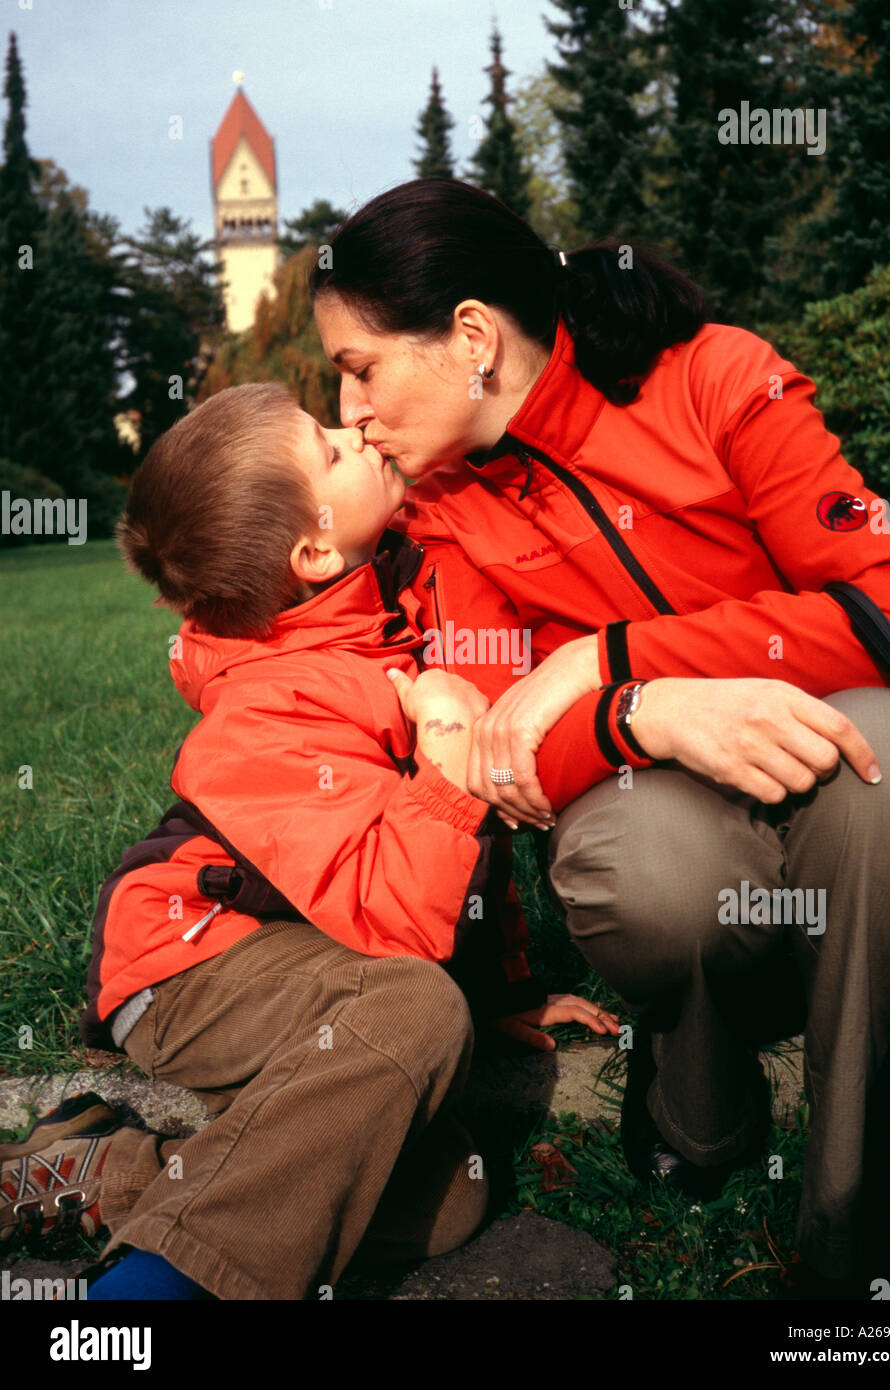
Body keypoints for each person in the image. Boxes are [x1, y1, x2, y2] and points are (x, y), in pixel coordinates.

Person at [308, 178, 890, 1291]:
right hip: (663, 802)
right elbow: (493, 756)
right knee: (637, 868)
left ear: (471, 335)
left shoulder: (716, 375)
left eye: (359, 367)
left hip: (839, 773)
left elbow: (883, 622)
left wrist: (608, 656)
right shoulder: (444, 512)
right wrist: (644, 711)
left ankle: (855, 1221)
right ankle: (696, 1102)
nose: (348, 408)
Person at [0, 382, 616, 1300]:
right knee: (414, 1009)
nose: (354, 428)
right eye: (327, 448)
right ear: (315, 548)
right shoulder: (268, 708)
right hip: (188, 963)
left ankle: (115, 1172)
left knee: (449, 1197)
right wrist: (445, 742)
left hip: (309, 954)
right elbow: (407, 928)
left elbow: (453, 863)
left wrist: (502, 991)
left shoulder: (376, 613)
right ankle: (148, 1296)